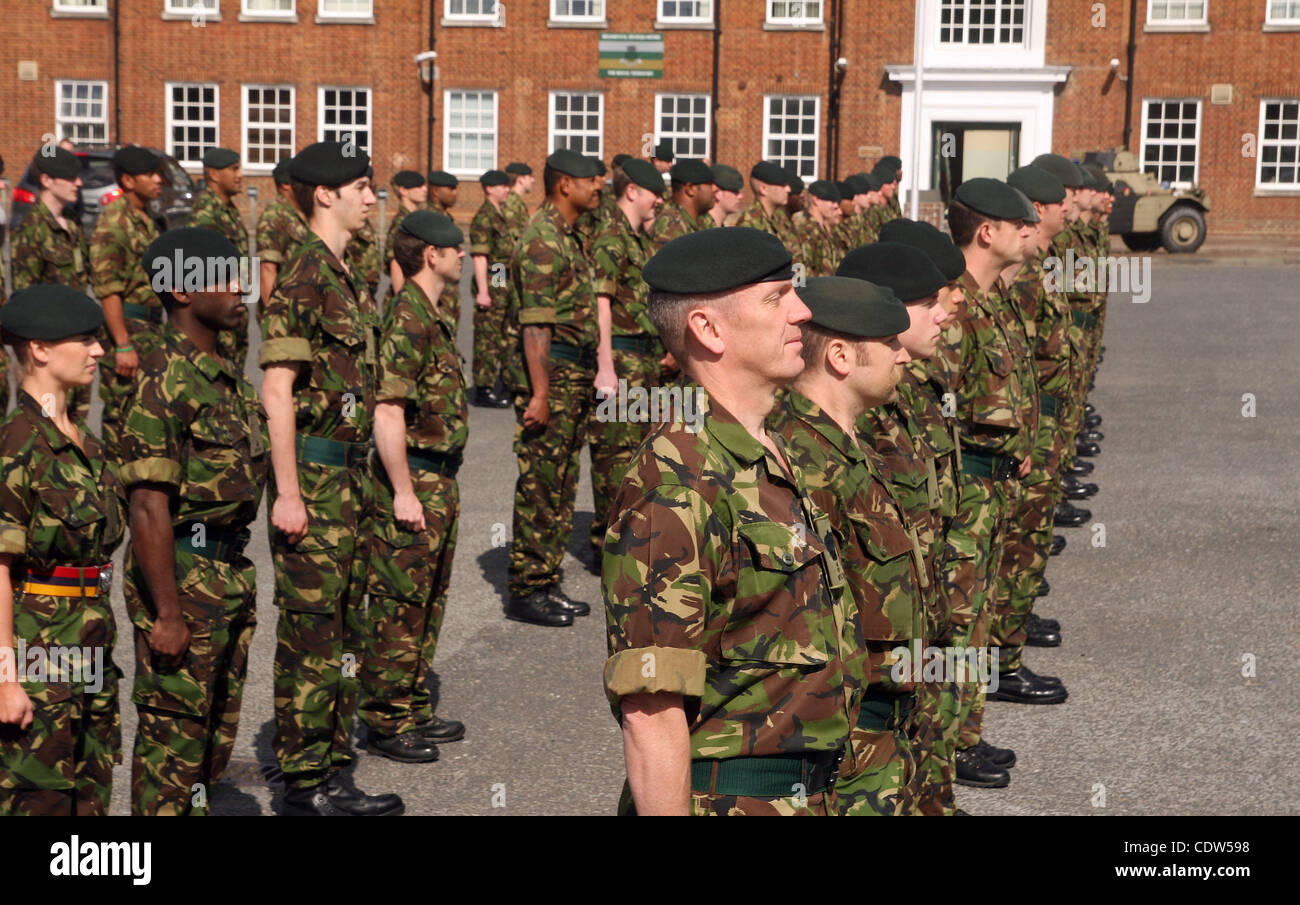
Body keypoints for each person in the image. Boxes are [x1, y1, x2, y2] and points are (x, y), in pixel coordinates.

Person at [602, 228, 858, 816]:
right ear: (708, 328)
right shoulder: (677, 482)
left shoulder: (767, 448)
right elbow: (652, 714)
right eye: (776, 298)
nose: (803, 312)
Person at [258, 141, 402, 816]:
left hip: (351, 481)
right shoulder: (304, 276)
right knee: (313, 634)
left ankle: (334, 770)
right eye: (361, 187)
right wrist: (287, 492)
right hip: (314, 480)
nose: (372, 197)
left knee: (347, 630)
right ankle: (305, 783)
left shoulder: (345, 272)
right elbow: (278, 389)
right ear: (325, 194)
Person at [119, 227, 267, 815]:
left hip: (225, 573)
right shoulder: (163, 377)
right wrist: (169, 613)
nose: (242, 290)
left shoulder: (218, 372)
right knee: (172, 751)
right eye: (226, 278)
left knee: (209, 744)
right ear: (181, 290)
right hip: (182, 576)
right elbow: (148, 505)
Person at [771, 275, 925, 816]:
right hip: (846, 754)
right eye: (889, 343)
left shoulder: (848, 447)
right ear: (840, 354)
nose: (904, 356)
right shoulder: (804, 461)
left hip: (884, 739)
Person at [940, 178, 1057, 798]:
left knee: (977, 620)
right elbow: (940, 418)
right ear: (987, 232)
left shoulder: (995, 298)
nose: (1030, 234)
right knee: (956, 625)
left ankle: (965, 732)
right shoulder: (955, 306)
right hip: (966, 496)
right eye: (1020, 226)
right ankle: (944, 747)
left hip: (993, 492)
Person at [0, 285, 123, 816]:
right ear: (40, 349)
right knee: (39, 796)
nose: (99, 350)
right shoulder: (17, 444)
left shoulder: (85, 443)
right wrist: (6, 680)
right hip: (37, 651)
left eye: (99, 338)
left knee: (92, 787)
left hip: (89, 637)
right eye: (85, 339)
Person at [360, 210, 469, 763]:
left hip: (439, 477)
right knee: (399, 602)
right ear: (432, 254)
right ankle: (385, 717)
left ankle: (410, 703)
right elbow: (387, 411)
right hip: (417, 476)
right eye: (456, 249)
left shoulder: (431, 311)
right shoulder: (409, 316)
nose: (464, 256)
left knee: (427, 598)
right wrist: (402, 490)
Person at [504, 149, 601, 627]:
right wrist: (539, 393)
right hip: (553, 379)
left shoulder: (569, 236)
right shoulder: (543, 238)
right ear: (565, 184)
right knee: (541, 485)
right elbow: (535, 327)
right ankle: (526, 588)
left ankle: (546, 580)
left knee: (561, 486)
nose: (599, 186)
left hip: (572, 378)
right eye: (591, 180)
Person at [989, 166, 1077, 678]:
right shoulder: (1015, 279)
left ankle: (1012, 635)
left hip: (1042, 416)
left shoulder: (1035, 267)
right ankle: (1004, 656)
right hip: (1025, 428)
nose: (1069, 208)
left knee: (1028, 535)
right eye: (1058, 202)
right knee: (1016, 542)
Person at [588, 158, 665, 557]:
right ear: (631, 191)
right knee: (614, 463)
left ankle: (626, 540)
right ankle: (607, 545)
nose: (659, 201)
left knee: (638, 460)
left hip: (643, 366)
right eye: (654, 193)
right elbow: (600, 303)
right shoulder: (612, 238)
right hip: (620, 362)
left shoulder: (636, 239)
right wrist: (604, 367)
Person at [90, 146, 164, 465]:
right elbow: (109, 290)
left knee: (147, 413)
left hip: (151, 327)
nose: (159, 180)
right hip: (127, 330)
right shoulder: (114, 221)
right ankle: (113, 492)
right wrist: (121, 344)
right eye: (150, 174)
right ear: (129, 180)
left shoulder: (149, 218)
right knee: (121, 416)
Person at [9, 146, 93, 420]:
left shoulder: (73, 223)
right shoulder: (31, 231)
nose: (78, 183)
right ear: (46, 180)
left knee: (78, 427)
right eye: (70, 177)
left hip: (79, 347)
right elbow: (27, 303)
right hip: (51, 357)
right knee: (47, 428)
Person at [188, 148, 251, 373]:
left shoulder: (228, 210)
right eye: (234, 169)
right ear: (214, 175)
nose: (240, 175)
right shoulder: (207, 213)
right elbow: (202, 274)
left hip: (234, 311)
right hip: (218, 316)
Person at [467, 169, 518, 408]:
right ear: (489, 189)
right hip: (494, 277)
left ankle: (502, 383)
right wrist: (484, 291)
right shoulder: (484, 216)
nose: (507, 189)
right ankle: (483, 388)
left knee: (504, 334)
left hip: (502, 278)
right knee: (488, 337)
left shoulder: (500, 214)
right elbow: (480, 257)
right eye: (502, 186)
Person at [255, 159, 309, 310]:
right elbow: (267, 269)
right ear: (286, 184)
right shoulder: (275, 216)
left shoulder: (305, 212)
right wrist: (273, 315)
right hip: (285, 308)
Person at [646, 159, 713, 249]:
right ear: (690, 188)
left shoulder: (691, 221)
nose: (714, 191)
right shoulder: (671, 226)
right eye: (710, 185)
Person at [383, 170, 429, 286]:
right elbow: (395, 263)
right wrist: (402, 299)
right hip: (407, 292)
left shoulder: (415, 218)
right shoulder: (402, 223)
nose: (425, 189)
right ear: (403, 190)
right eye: (418, 186)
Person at [794, 180, 845, 276]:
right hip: (811, 289)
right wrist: (802, 290)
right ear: (816, 200)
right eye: (831, 201)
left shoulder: (823, 229)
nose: (836, 206)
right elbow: (799, 266)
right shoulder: (805, 228)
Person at [736, 161, 791, 242]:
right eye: (782, 185)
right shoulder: (749, 225)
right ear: (763, 189)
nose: (788, 189)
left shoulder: (777, 219)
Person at [504, 162, 534, 235]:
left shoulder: (516, 201)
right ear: (521, 180)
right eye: (530, 176)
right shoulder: (511, 203)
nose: (533, 180)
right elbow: (513, 236)